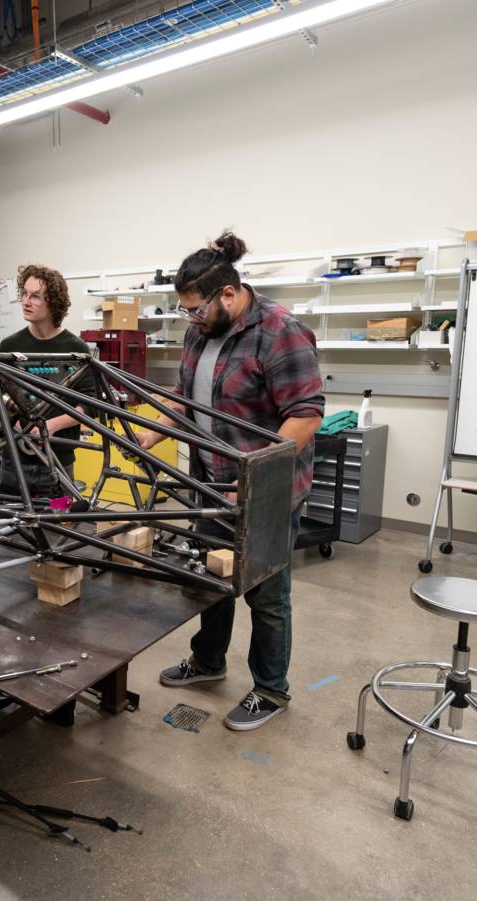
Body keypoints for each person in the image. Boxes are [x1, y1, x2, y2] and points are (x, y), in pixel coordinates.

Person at [136, 232, 324, 731]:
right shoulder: (200, 333)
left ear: (227, 294)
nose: (190, 321)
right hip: (209, 483)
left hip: (265, 488)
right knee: (211, 577)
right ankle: (207, 661)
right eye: (185, 312)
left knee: (265, 591)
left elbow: (305, 417)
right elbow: (183, 397)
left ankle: (270, 689)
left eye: (195, 310)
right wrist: (148, 433)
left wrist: (254, 478)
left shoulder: (281, 332)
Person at [0, 264, 96, 498]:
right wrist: (16, 424)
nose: (26, 302)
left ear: (54, 303)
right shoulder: (9, 347)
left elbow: (90, 405)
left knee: (57, 525)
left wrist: (51, 426)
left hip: (58, 463)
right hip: (14, 464)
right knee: (8, 521)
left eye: (36, 296)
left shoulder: (76, 350)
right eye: (25, 294)